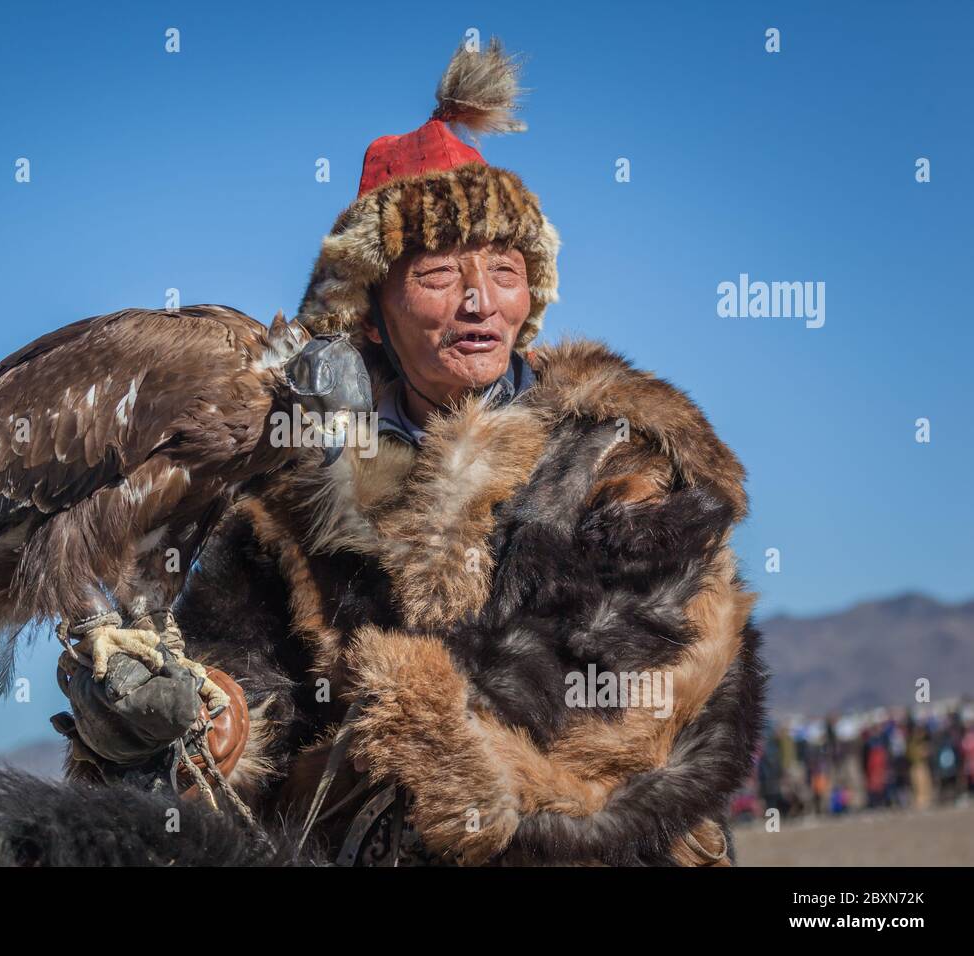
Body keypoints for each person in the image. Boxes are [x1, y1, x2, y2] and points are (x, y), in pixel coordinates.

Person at [61, 38, 766, 866]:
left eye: (504, 270)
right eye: (437, 274)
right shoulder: (289, 495)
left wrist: (468, 766)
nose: (479, 301)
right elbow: (249, 675)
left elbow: (680, 683)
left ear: (531, 295)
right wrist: (208, 721)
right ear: (370, 310)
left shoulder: (616, 455)